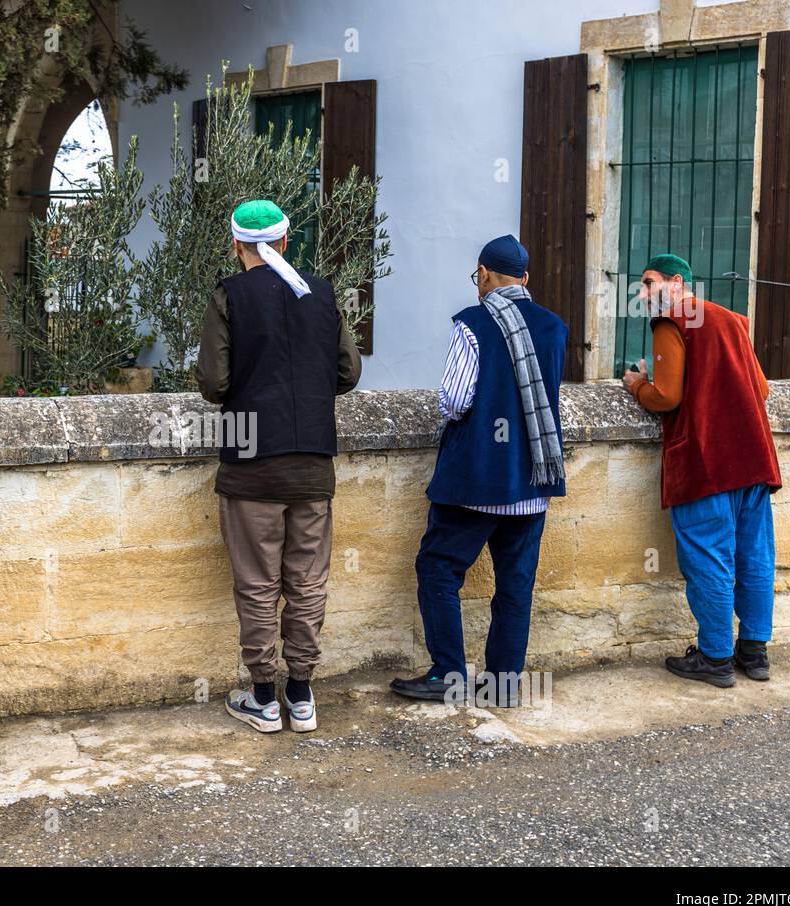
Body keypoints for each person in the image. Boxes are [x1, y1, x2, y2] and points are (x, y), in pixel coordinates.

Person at [197, 199, 361, 734]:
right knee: (308, 580)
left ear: (236, 245)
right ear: (286, 242)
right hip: (313, 459)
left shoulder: (227, 296)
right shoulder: (322, 294)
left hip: (250, 463)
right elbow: (348, 372)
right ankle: (302, 691)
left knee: (256, 581)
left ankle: (264, 697)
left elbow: (213, 384)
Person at [390, 235, 567, 706]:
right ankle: (503, 684)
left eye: (478, 276)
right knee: (515, 585)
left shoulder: (472, 322)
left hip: (475, 479)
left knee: (439, 569)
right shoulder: (554, 327)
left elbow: (455, 400)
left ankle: (447, 675)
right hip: (533, 478)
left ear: (484, 274)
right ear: (525, 279)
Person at [622, 254, 781, 687]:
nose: (642, 294)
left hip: (705, 463)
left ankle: (714, 657)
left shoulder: (671, 321)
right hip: (753, 460)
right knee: (755, 557)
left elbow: (667, 397)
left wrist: (637, 384)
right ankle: (755, 651)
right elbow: (761, 389)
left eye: (649, 283)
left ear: (677, 283)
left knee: (710, 558)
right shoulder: (733, 320)